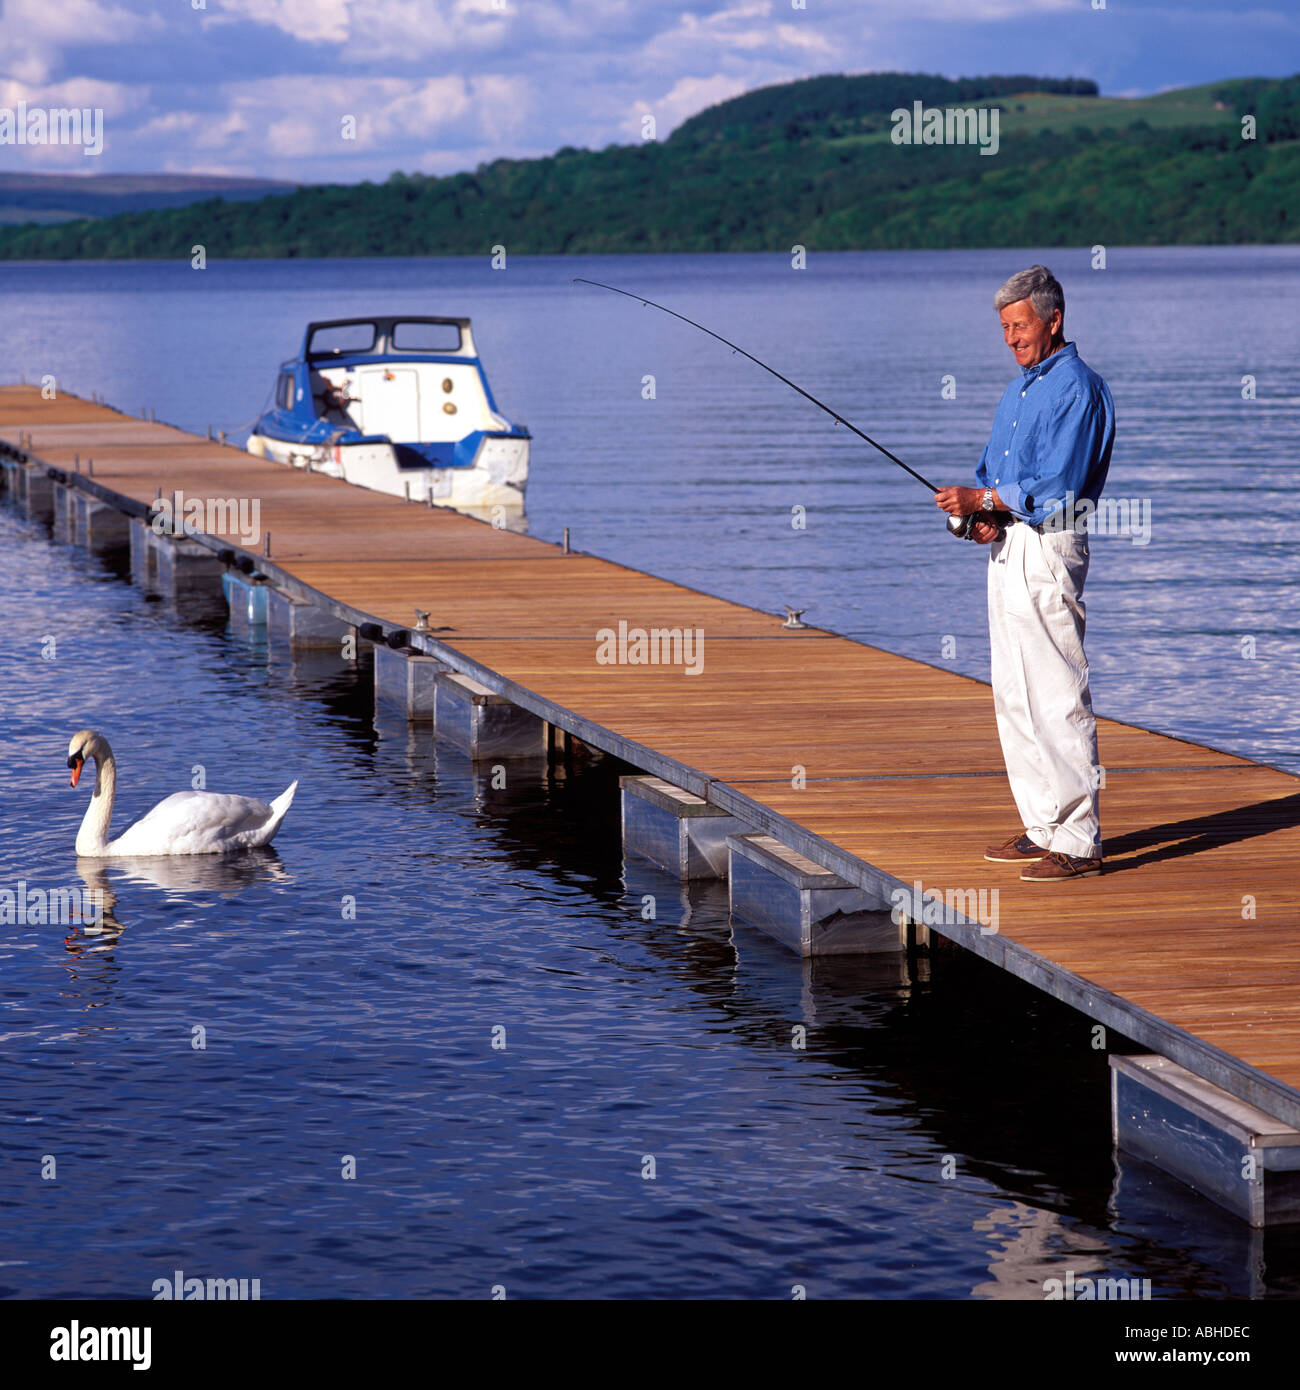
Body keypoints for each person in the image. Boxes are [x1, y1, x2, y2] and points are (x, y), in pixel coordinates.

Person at [935, 265, 1115, 882]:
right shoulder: (1017, 392)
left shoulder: (1078, 388)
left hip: (1050, 547)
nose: (1011, 339)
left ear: (1053, 320)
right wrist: (981, 516)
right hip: (1010, 546)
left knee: (1057, 691)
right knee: (1014, 692)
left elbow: (1060, 487)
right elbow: (994, 478)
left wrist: (983, 502)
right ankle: (1043, 827)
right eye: (1004, 329)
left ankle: (1079, 841)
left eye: (1019, 326)